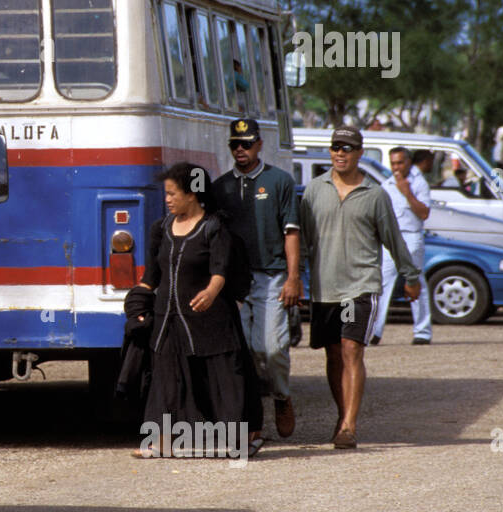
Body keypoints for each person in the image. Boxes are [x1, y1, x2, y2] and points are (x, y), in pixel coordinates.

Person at [299, 127, 420, 449]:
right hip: (325, 287)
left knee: (352, 349)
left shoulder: (375, 194)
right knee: (334, 354)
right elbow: (304, 241)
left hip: (361, 285)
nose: (341, 153)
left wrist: (410, 275)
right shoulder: (314, 190)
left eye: (348, 148)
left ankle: (350, 425)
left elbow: (393, 238)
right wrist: (294, 277)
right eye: (336, 147)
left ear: (359, 153)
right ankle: (343, 418)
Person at [135, 163, 259, 458]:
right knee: (165, 381)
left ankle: (237, 441)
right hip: (168, 319)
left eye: (172, 193)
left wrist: (211, 292)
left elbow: (220, 270)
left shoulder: (214, 228)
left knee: (223, 379)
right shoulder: (161, 229)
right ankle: (161, 442)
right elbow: (150, 277)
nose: (167, 199)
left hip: (210, 322)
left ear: (192, 193)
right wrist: (137, 304)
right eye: (166, 194)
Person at [209, 118, 301, 438]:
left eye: (246, 143)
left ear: (260, 144)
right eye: (235, 144)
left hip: (272, 276)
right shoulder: (220, 188)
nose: (240, 149)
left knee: (271, 348)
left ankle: (281, 397)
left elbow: (291, 233)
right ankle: (250, 420)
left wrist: (293, 278)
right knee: (242, 352)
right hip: (233, 282)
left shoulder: (279, 181)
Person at [369, 146, 432, 346]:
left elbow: (423, 213)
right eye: (393, 163)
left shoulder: (419, 183)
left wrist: (407, 193)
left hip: (412, 237)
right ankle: (374, 331)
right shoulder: (387, 184)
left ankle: (422, 331)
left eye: (400, 162)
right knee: (382, 284)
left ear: (408, 162)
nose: (396, 167)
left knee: (416, 283)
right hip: (390, 240)